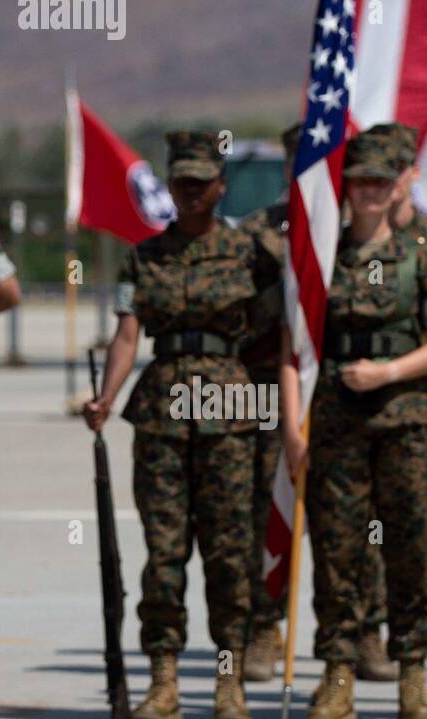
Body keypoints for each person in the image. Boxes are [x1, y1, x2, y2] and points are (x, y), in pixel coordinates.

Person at [85, 131, 260, 719]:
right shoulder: (145, 256)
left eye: (200, 183)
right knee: (164, 554)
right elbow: (128, 333)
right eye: (180, 183)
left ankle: (229, 681)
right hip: (162, 413)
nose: (189, 193)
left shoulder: (251, 252)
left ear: (220, 185)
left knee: (229, 554)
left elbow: (284, 328)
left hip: (229, 412)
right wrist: (105, 398)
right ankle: (163, 681)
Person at [281, 125, 427, 719]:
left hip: (407, 424)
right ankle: (337, 673)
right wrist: (292, 427)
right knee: (338, 552)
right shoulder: (321, 254)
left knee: (412, 547)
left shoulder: (419, 254)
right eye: (358, 180)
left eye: (378, 181)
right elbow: (296, 346)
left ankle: (413, 669)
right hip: (336, 426)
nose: (367, 191)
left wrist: (389, 371)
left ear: (398, 185)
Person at [238, 125, 300, 683]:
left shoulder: (356, 235)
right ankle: (263, 627)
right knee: (265, 510)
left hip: (346, 391)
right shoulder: (256, 236)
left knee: (362, 516)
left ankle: (366, 630)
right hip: (267, 393)